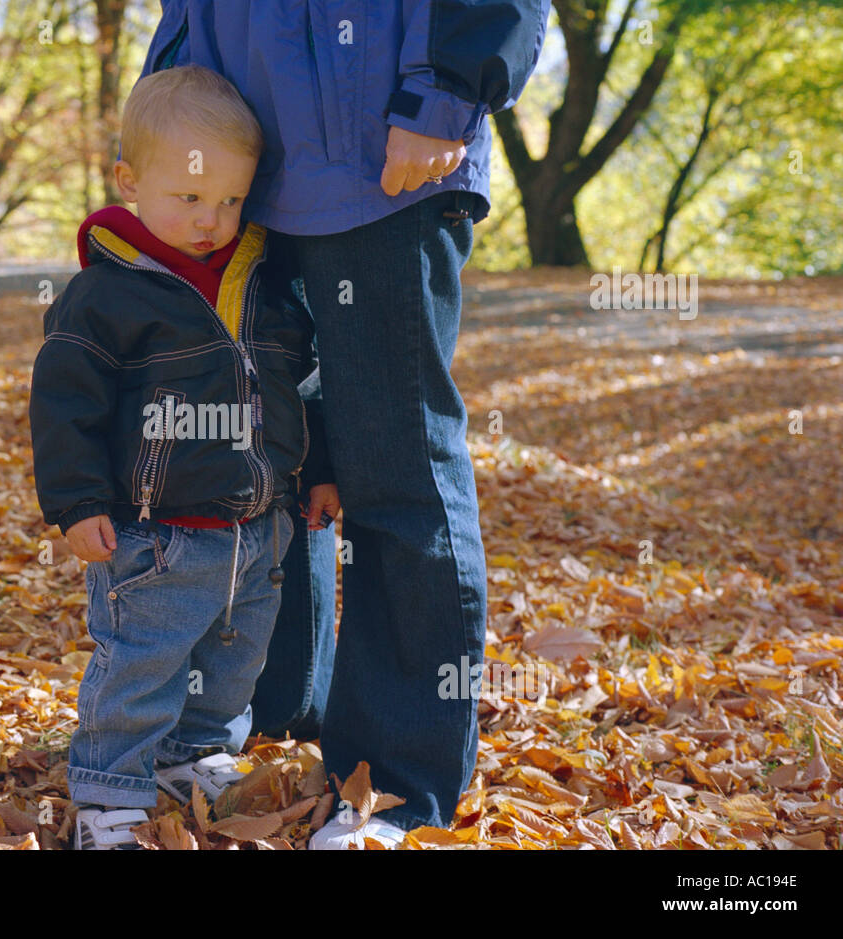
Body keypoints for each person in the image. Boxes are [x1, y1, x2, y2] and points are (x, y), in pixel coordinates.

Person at [139, 1, 551, 848]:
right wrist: (166, 108)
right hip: (241, 163)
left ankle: (395, 783)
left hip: (385, 156)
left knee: (396, 467)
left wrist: (446, 91)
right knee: (274, 465)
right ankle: (278, 711)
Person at [28, 65, 341, 849]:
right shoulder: (107, 296)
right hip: (154, 535)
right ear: (131, 182)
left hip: (255, 530)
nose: (212, 219)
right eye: (191, 197)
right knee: (142, 662)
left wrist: (320, 468)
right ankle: (108, 791)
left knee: (234, 660)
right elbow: (66, 406)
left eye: (232, 200)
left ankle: (192, 753)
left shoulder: (265, 285)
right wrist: (76, 503)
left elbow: (301, 387)